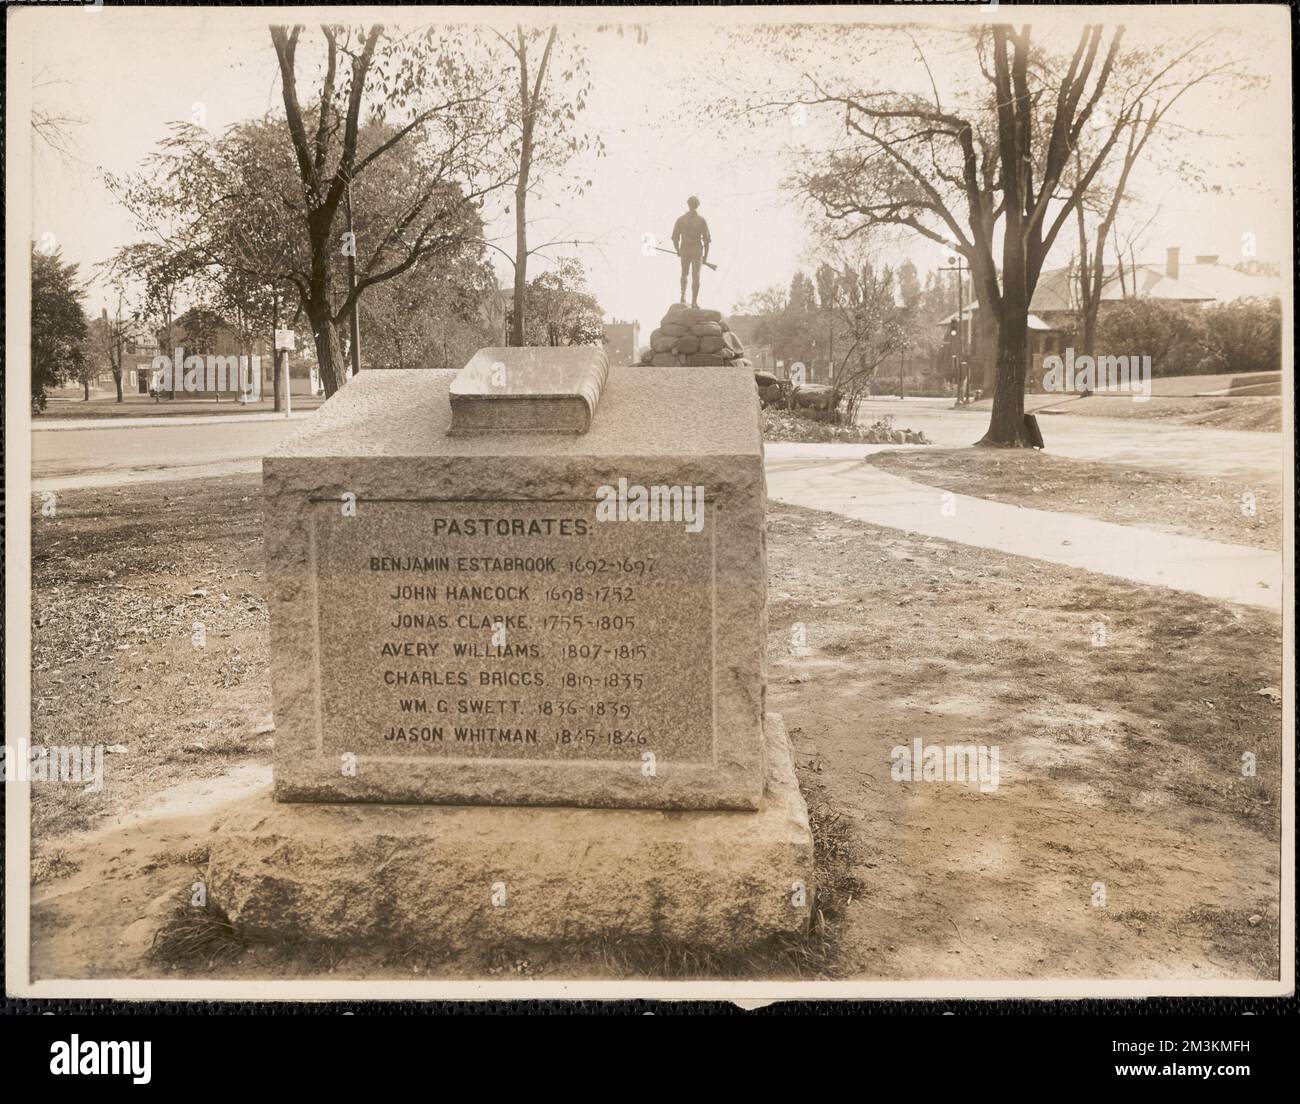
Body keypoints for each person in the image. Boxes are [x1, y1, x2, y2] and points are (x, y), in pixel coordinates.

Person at [671, 196, 711, 307]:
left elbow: (675, 239)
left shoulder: (680, 219)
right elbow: (707, 241)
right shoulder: (701, 220)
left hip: (685, 249)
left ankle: (683, 296)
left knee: (684, 273)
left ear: (688, 204)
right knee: (696, 276)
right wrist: (705, 257)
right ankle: (694, 302)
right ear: (698, 205)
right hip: (697, 250)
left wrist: (678, 250)